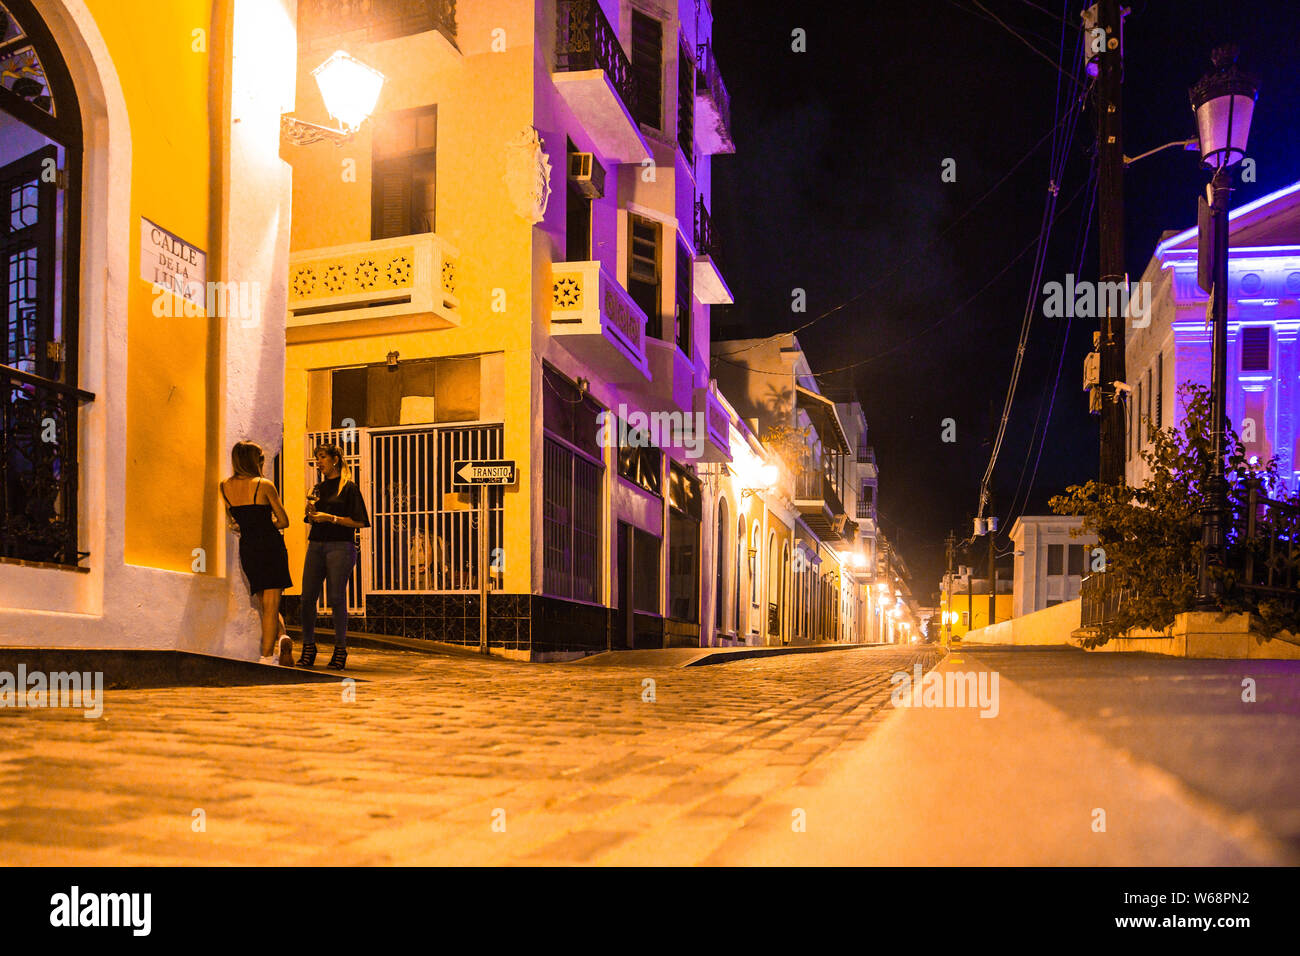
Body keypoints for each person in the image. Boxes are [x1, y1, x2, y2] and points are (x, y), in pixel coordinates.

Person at [220, 441, 294, 665]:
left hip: (249, 548)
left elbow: (233, 523)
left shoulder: (224, 486)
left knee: (265, 605)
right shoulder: (264, 485)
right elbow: (284, 521)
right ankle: (266, 657)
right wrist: (268, 521)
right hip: (270, 546)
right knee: (271, 607)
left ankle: (282, 636)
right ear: (256, 460)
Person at [299, 443, 370, 670]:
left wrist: (331, 518)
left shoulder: (348, 488)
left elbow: (360, 522)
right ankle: (309, 646)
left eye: (322, 457)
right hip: (316, 545)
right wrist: (310, 514)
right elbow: (310, 519)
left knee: (337, 598)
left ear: (335, 459)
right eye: (316, 458)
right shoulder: (318, 488)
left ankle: (340, 649)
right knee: (307, 598)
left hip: (340, 546)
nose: (318, 462)